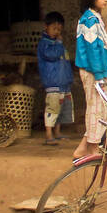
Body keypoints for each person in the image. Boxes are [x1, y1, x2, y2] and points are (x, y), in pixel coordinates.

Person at [73, 0, 107, 160]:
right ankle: (93, 149)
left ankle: (84, 148)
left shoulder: (95, 18)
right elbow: (92, 49)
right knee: (96, 109)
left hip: (101, 72)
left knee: (105, 109)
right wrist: (98, 75)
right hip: (93, 72)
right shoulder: (89, 20)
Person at [37, 11, 74, 146]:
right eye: (54, 28)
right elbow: (51, 55)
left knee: (61, 109)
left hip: (63, 82)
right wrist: (58, 43)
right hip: (53, 81)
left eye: (59, 29)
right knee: (52, 108)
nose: (57, 32)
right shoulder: (44, 43)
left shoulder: (58, 43)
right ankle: (48, 135)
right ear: (46, 27)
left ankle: (57, 132)